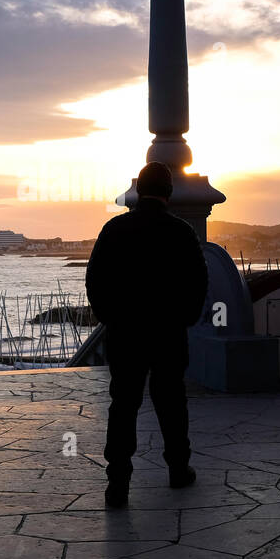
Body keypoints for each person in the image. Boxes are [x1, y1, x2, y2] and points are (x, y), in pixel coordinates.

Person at [85, 162, 209, 509]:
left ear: (137, 191)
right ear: (168, 193)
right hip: (168, 334)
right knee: (171, 402)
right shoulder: (181, 232)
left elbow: (94, 281)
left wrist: (111, 318)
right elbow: (198, 283)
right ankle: (178, 469)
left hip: (125, 335)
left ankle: (118, 485)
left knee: (123, 405)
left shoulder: (114, 229)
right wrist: (184, 319)